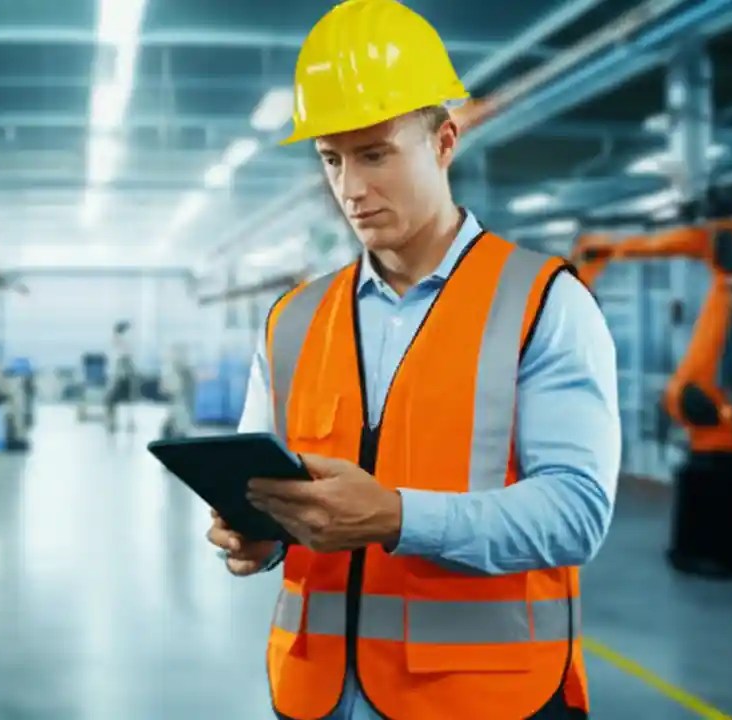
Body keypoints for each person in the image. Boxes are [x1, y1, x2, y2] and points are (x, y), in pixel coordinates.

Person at [203, 1, 621, 718]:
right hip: (318, 696)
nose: (350, 189)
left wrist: (397, 517)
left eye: (375, 154)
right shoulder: (292, 320)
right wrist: (252, 537)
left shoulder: (542, 302)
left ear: (445, 141)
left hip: (482, 699)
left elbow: (576, 513)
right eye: (331, 159)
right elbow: (267, 490)